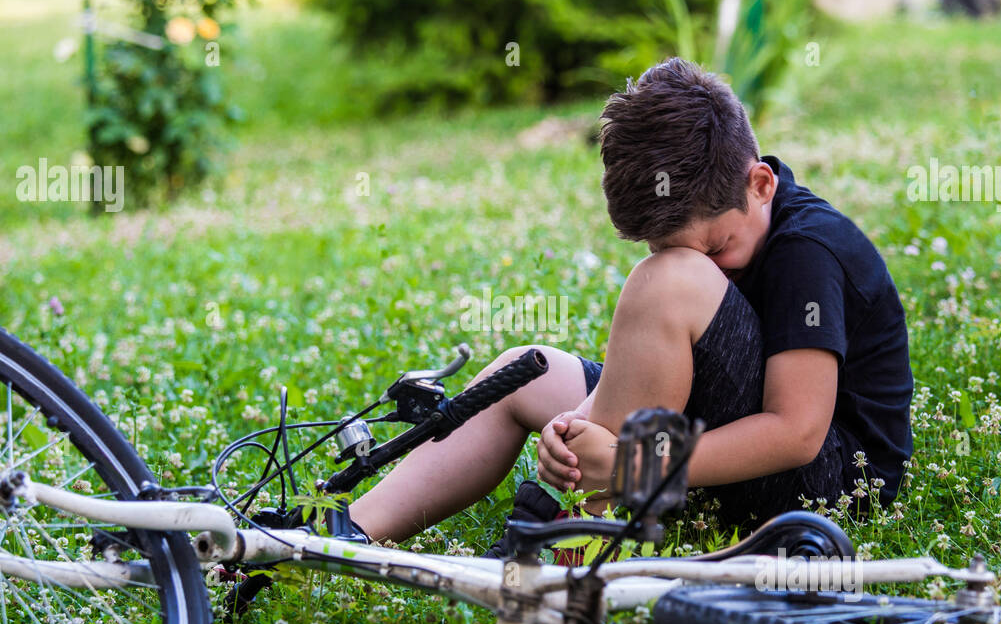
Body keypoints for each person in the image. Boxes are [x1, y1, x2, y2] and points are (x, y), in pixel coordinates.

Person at [338, 56, 913, 547]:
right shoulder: (729, 217)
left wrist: (632, 467)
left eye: (716, 248)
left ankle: (566, 539)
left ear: (760, 184)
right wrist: (578, 429)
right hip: (710, 444)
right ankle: (346, 533)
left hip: (828, 486)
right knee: (528, 373)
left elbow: (797, 432)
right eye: (671, 247)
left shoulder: (808, 250)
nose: (703, 266)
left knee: (664, 284)